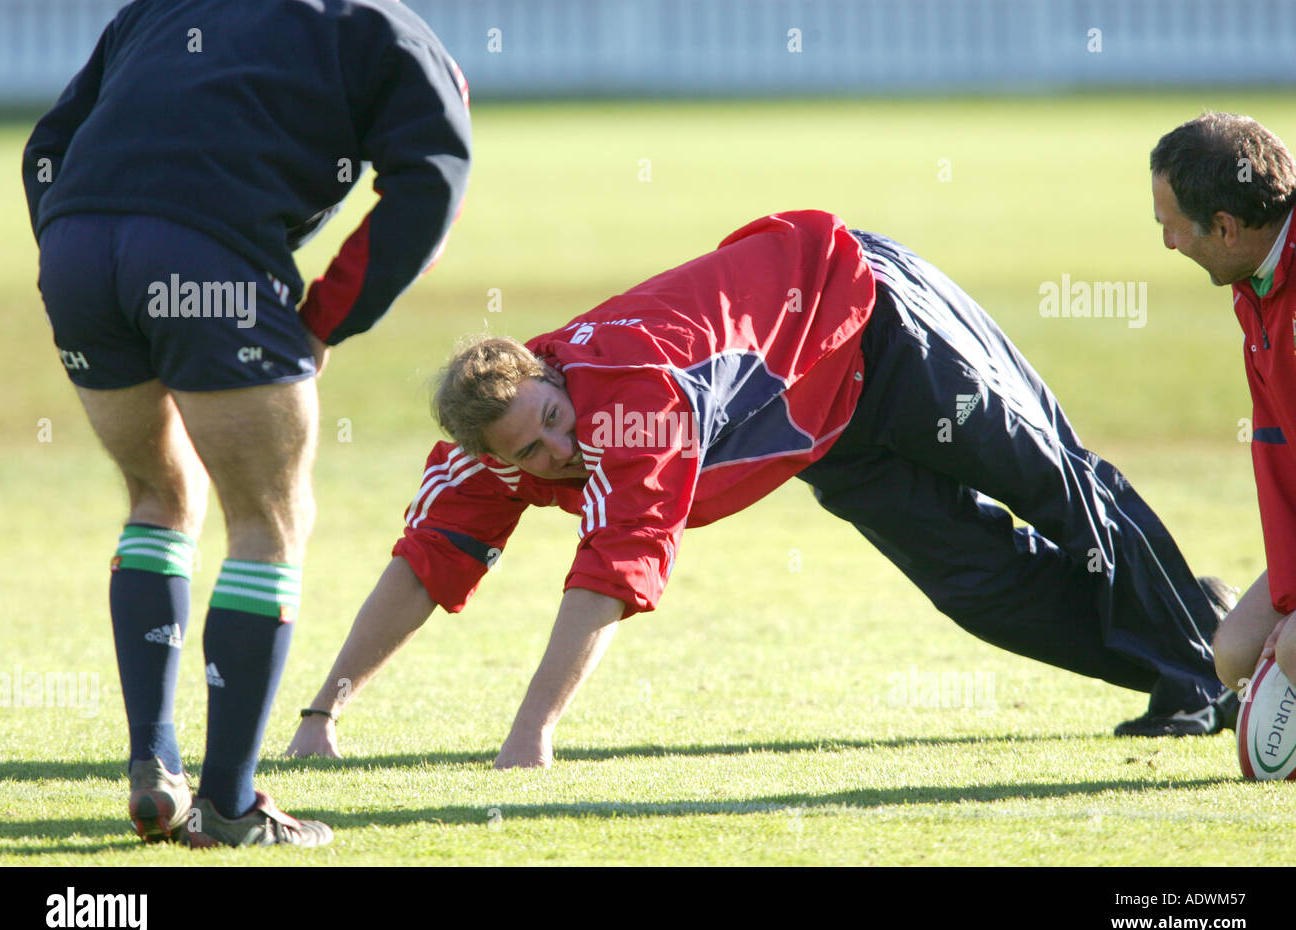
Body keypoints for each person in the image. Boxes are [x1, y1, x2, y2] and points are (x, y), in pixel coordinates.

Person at [286, 209, 1236, 770]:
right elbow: (423, 566)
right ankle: (1200, 645)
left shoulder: (625, 394)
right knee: (978, 585)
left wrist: (532, 731)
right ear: (487, 458)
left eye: (555, 414)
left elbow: (613, 571)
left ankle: (1207, 675)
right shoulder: (476, 459)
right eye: (530, 453)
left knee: (1059, 490)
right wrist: (323, 714)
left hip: (876, 314)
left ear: (546, 368)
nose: (559, 448)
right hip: (825, 428)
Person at [23, 0, 471, 844]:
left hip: (78, 251)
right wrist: (327, 317)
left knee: (160, 497)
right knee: (269, 521)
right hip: (209, 262)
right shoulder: (385, 29)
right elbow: (432, 177)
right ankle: (229, 806)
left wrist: (71, 249)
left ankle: (155, 758)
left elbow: (47, 148)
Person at [1150, 113, 1296, 698]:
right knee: (1238, 655)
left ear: (1226, 227)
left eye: (1173, 227)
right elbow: (1277, 450)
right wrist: (1286, 594)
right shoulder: (1255, 286)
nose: (1167, 243)